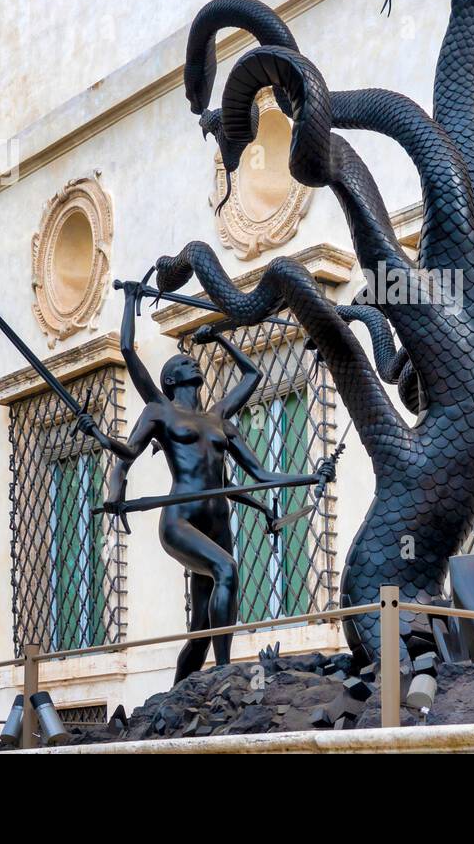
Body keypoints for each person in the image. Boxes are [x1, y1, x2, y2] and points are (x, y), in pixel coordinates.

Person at [76, 280, 302, 680]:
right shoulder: (159, 410)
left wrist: (307, 477)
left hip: (218, 520)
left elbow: (253, 382)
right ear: (170, 380)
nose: (191, 362)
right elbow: (128, 359)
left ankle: (179, 691)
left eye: (193, 360)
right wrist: (131, 300)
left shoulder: (219, 418)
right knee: (228, 570)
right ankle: (226, 673)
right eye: (182, 363)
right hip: (180, 519)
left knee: (199, 632)